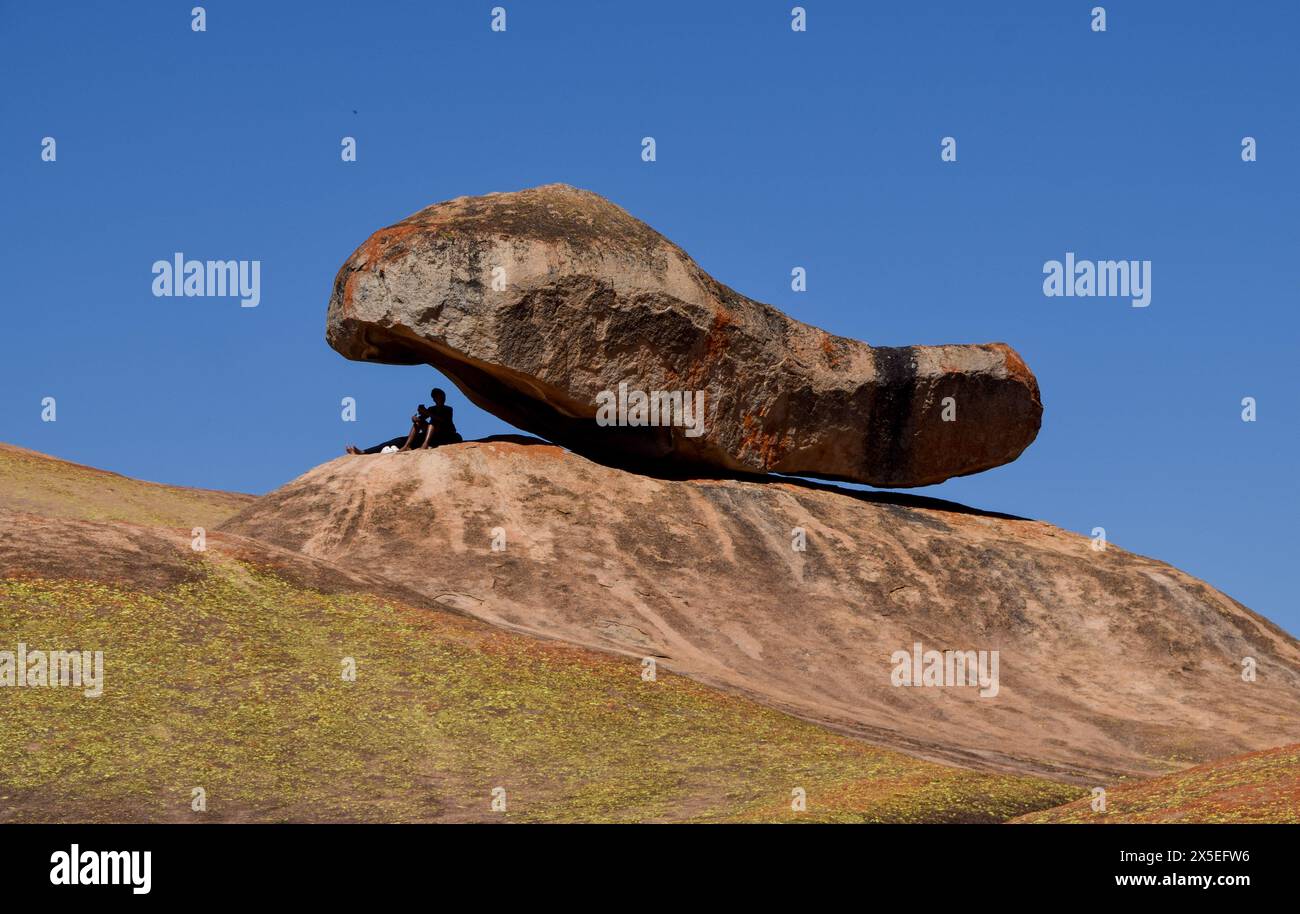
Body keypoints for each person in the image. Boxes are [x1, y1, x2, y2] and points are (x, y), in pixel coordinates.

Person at [346, 388, 461, 455]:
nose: (441, 398)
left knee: (433, 423)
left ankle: (425, 445)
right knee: (397, 440)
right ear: (434, 399)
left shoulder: (448, 409)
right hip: (431, 435)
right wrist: (417, 417)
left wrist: (427, 413)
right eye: (438, 397)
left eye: (442, 396)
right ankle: (364, 452)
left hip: (446, 436)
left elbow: (442, 420)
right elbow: (422, 420)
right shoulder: (431, 409)